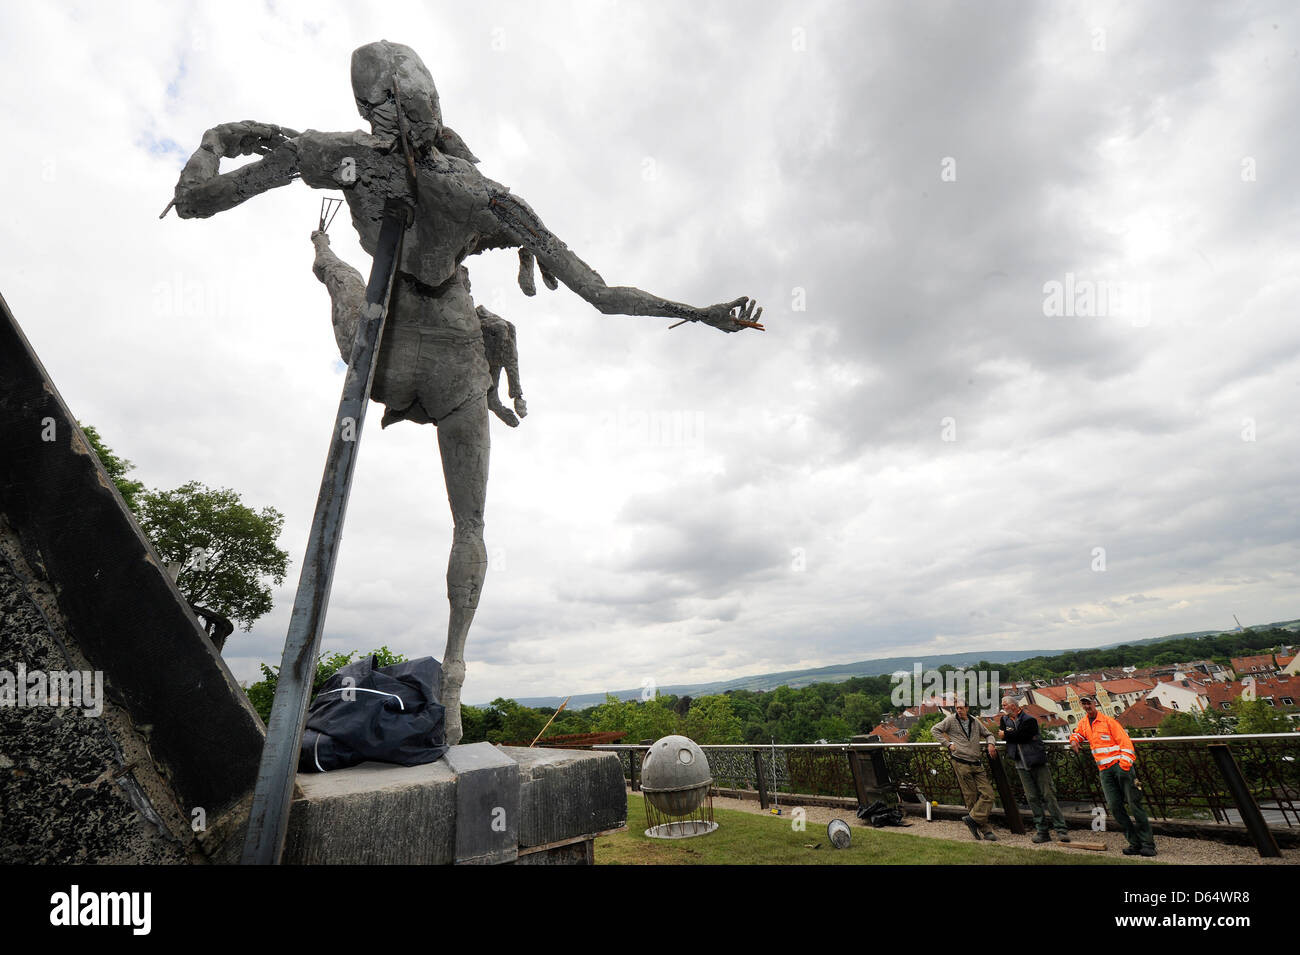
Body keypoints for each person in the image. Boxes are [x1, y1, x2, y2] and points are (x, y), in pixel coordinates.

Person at [166, 41, 763, 744]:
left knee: (343, 279)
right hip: (444, 351)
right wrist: (700, 313)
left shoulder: (341, 156)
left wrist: (218, 140)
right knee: (470, 523)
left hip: (398, 344)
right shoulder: (467, 189)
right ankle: (452, 677)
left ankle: (451, 679)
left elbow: (195, 199)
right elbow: (600, 294)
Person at [1069, 695, 1156, 856]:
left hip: (1121, 767)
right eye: (1084, 704)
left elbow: (1126, 743)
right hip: (1104, 771)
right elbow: (1078, 734)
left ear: (1095, 704)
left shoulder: (1109, 721)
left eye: (1089, 703)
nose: (1087, 706)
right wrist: (1074, 740)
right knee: (1115, 807)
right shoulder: (1084, 723)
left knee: (1135, 805)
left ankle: (1148, 844)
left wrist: (1124, 766)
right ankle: (1134, 843)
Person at [998, 696, 1070, 843]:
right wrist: (1009, 736)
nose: (1003, 707)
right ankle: (1042, 831)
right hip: (1020, 764)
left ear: (1013, 706)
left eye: (1004, 705)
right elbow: (1006, 736)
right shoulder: (1004, 720)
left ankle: (1061, 829)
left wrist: (1007, 735)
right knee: (1032, 798)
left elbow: (1022, 736)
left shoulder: (1029, 720)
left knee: (1048, 795)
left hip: (1037, 762)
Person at [931, 698, 999, 840]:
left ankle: (971, 819)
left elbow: (988, 734)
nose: (959, 710)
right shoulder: (951, 720)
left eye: (961, 708)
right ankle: (986, 830)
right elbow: (935, 730)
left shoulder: (974, 721)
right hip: (961, 762)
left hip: (976, 763)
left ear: (967, 708)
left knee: (988, 794)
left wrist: (991, 744)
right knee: (971, 796)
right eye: (957, 708)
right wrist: (948, 744)